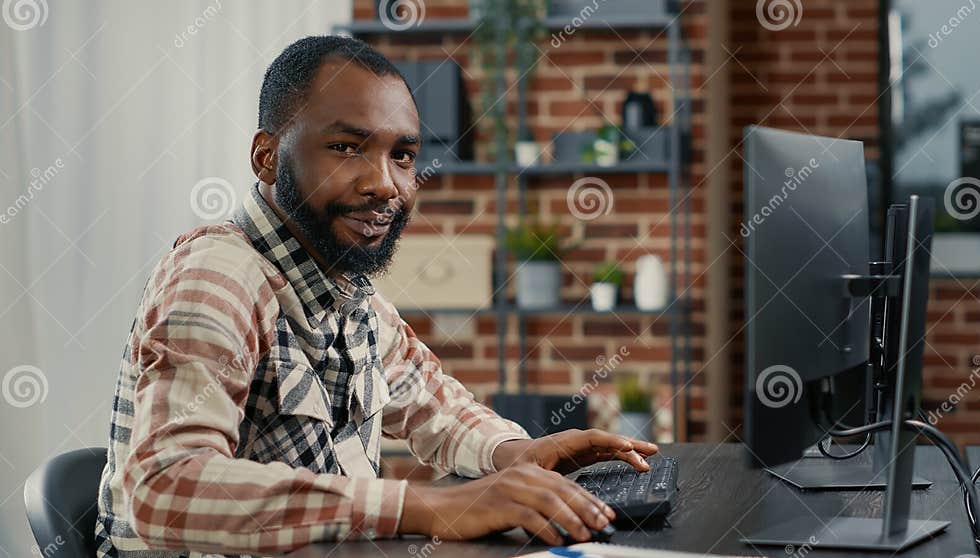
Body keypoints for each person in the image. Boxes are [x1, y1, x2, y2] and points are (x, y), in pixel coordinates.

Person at [95, 35, 658, 558]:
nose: (384, 183)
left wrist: (516, 454)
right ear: (266, 156)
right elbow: (163, 484)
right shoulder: (218, 276)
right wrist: (426, 506)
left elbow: (437, 407)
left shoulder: (345, 290)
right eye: (346, 147)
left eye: (403, 156)